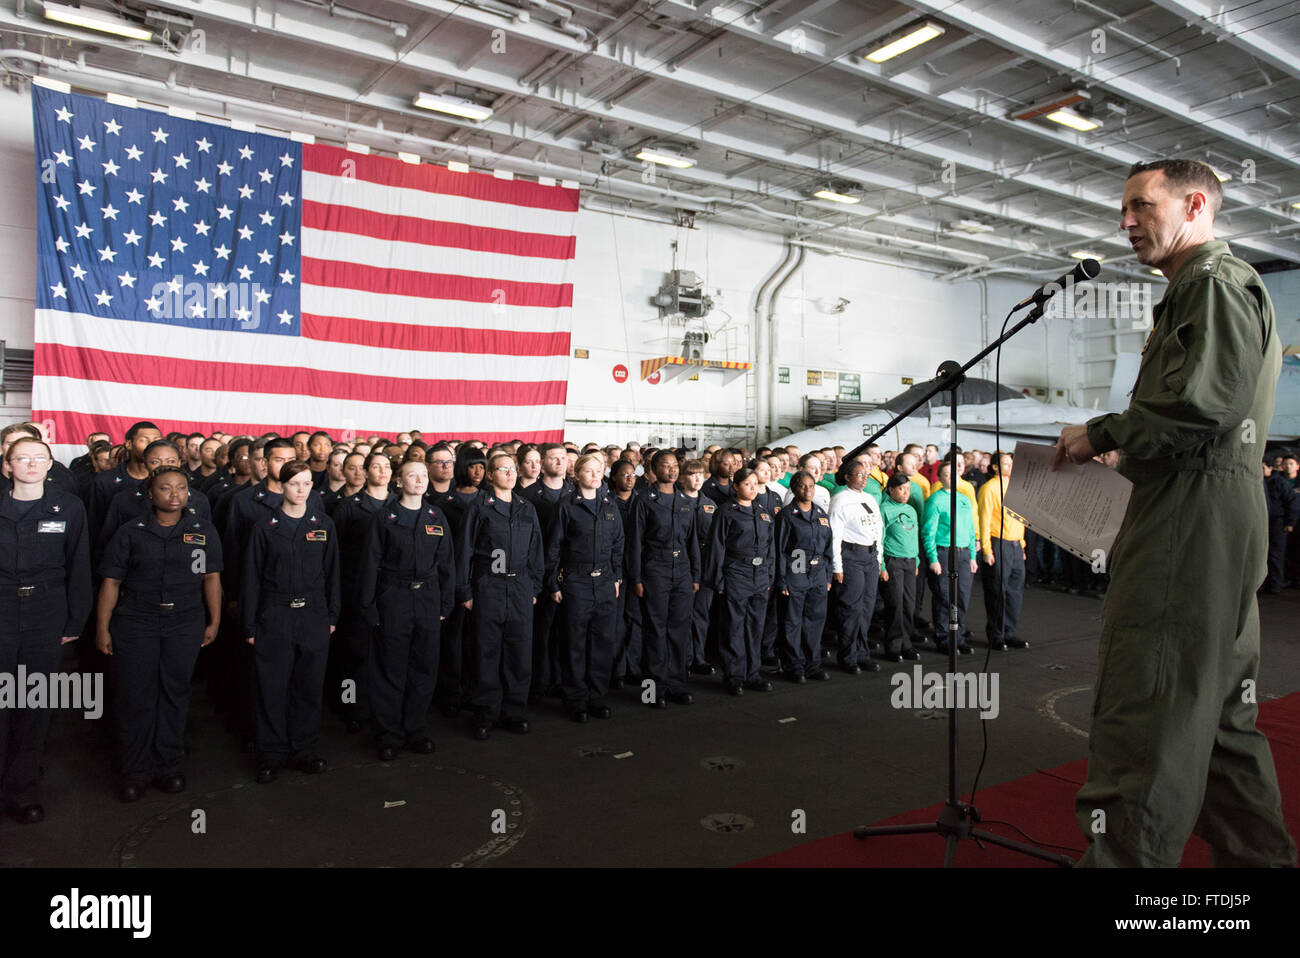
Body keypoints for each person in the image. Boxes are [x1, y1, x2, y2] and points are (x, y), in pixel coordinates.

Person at [1054, 158, 1296, 867]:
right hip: (1215, 515)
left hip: (1189, 519)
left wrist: (1101, 433)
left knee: (1147, 707)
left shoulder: (1212, 286)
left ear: (1194, 204)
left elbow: (1199, 406)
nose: (1124, 222)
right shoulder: (1212, 287)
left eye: (1139, 206)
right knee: (1221, 721)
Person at [96, 465, 223, 802]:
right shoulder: (130, 532)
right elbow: (111, 582)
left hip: (184, 621)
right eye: (166, 488)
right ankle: (135, 770)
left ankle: (167, 765)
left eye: (181, 488)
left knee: (175, 692)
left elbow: (211, 577)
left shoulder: (203, 530)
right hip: (136, 622)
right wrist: (102, 627)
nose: (175, 495)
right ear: (150, 493)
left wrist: (214, 620)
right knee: (135, 695)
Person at [0, 436, 92, 824]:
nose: (32, 464)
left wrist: (75, 620)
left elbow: (79, 565)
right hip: (2, 606)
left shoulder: (68, 506)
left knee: (34, 700)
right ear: (8, 466)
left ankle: (22, 789)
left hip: (46, 608)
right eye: (23, 458)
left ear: (50, 463)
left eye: (40, 458)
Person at [242, 461, 341, 784]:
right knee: (272, 686)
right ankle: (271, 753)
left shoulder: (323, 524)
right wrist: (251, 625)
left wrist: (331, 616)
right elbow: (251, 579)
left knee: (309, 685)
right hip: (275, 612)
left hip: (313, 613)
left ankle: (304, 749)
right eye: (295, 483)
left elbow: (332, 574)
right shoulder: (264, 526)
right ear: (281, 487)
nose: (301, 490)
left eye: (307, 483)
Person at [358, 460, 456, 760]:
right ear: (398, 481)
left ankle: (415, 729)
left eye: (423, 476)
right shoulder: (385, 517)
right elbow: (370, 564)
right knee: (391, 669)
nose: (419, 480)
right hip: (394, 597)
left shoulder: (436, 516)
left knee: (423, 668)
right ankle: (388, 734)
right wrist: (369, 607)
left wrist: (444, 604)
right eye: (412, 475)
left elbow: (447, 565)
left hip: (427, 599)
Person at [458, 452, 544, 740]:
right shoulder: (479, 507)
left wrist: (534, 587)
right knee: (487, 650)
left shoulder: (526, 507)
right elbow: (465, 552)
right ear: (490, 475)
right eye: (502, 469)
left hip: (520, 586)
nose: (509, 473)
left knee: (519, 651)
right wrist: (466, 591)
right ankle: (486, 711)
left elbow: (536, 552)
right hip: (489, 585)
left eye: (512, 469)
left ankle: (513, 711)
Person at [546, 453, 624, 722]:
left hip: (604, 581)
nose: (594, 475)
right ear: (576, 474)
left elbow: (618, 544)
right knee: (574, 643)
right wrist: (554, 583)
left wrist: (616, 578)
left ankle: (595, 695)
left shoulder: (610, 505)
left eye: (598, 470)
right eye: (588, 471)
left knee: (602, 642)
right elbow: (553, 547)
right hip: (576, 581)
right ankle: (575, 698)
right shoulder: (566, 506)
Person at [628, 450, 701, 707]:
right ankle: (652, 690)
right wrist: (636, 577)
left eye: (674, 465)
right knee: (655, 630)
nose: (671, 469)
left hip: (681, 569)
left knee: (679, 630)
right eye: (665, 465)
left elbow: (692, 540)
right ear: (653, 470)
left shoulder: (684, 500)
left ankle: (676, 684)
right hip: (655, 568)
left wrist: (695, 574)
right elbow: (635, 542)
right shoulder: (644, 500)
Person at [330, 453, 393, 732]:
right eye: (376, 467)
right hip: (355, 590)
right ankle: (351, 706)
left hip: (390, 592)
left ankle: (382, 706)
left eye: (387, 466)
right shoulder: (348, 506)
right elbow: (336, 554)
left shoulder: (399, 504)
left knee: (386, 655)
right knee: (354, 657)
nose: (382, 471)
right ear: (366, 472)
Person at [703, 467, 775, 696]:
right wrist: (719, 580)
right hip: (736, 574)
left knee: (755, 627)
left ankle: (752, 674)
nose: (752, 488)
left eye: (755, 483)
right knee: (733, 627)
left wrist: (769, 576)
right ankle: (734, 675)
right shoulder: (726, 512)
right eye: (747, 484)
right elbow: (716, 548)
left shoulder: (763, 512)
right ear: (735, 487)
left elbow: (770, 548)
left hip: (760, 575)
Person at [773, 471, 833, 682]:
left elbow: (828, 547)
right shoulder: (787, 515)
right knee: (792, 621)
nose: (808, 490)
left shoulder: (821, 514)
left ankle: (812, 665)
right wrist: (782, 579)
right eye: (803, 486)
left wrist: (827, 576)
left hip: (817, 574)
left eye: (811, 486)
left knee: (815, 621)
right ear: (794, 489)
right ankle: (793, 666)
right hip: (795, 571)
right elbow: (779, 549)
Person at [827, 461, 884, 673]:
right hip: (850, 556)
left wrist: (878, 557)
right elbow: (834, 535)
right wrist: (837, 566)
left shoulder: (868, 498)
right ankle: (848, 656)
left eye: (865, 474)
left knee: (867, 608)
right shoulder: (840, 499)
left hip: (870, 556)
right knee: (851, 608)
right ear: (847, 477)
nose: (864, 478)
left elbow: (878, 529)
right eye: (858, 474)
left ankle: (862, 653)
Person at [922, 460, 977, 655]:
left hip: (963, 553)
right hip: (944, 553)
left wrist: (973, 556)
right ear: (940, 478)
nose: (951, 478)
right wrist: (933, 558)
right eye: (946, 474)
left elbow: (971, 530)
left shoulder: (964, 499)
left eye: (954, 474)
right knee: (945, 597)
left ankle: (958, 637)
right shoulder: (935, 500)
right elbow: (928, 532)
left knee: (961, 597)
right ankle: (944, 638)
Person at [977, 452, 1029, 651]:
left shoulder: (1015, 486)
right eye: (1005, 464)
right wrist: (987, 550)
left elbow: (1020, 517)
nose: (1010, 467)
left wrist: (1022, 545)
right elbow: (984, 519)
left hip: (1016, 544)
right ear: (996, 467)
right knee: (997, 591)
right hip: (999, 543)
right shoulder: (989, 488)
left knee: (1014, 592)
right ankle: (996, 635)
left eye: (1011, 463)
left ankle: (1009, 632)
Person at [679, 458, 718, 676]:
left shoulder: (710, 505)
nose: (696, 479)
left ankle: (698, 657)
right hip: (682, 564)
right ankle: (682, 658)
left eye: (700, 474)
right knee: (682, 615)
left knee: (701, 615)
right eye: (692, 474)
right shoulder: (676, 502)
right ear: (682, 477)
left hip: (704, 565)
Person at [878, 473, 921, 662]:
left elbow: (914, 536)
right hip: (893, 560)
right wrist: (881, 565)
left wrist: (917, 560)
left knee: (909, 605)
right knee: (895, 604)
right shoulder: (885, 509)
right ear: (891, 490)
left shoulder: (911, 509)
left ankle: (907, 643)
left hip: (910, 561)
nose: (905, 493)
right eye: (901, 489)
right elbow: (879, 537)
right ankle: (894, 646)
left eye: (908, 489)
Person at [608, 460, 642, 685]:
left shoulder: (643, 501)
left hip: (638, 568)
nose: (629, 479)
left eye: (632, 475)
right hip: (615, 568)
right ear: (614, 478)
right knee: (616, 621)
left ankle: (634, 666)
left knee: (636, 618)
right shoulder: (606, 502)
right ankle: (617, 669)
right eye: (624, 475)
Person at [1262, 459, 1297, 594]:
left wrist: (1290, 522)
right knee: (1265, 554)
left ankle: (1275, 584)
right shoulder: (1261, 482)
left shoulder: (1279, 483)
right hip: (1266, 522)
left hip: (1278, 523)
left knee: (1276, 554)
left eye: (1264, 467)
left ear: (1270, 468)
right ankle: (1267, 584)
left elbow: (1292, 502)